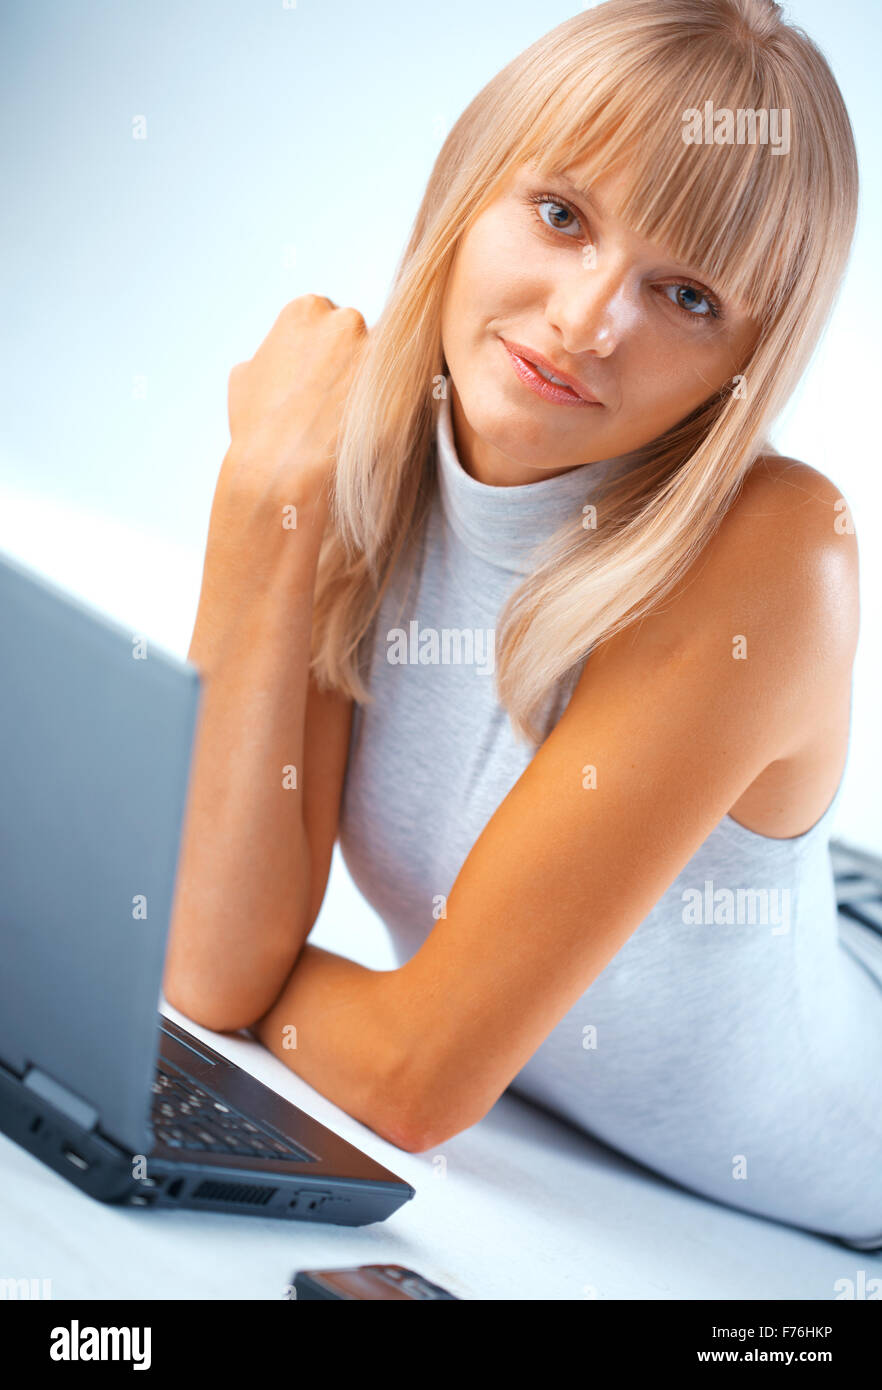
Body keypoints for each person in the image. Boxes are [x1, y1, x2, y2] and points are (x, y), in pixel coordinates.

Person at [163, 0, 882, 1248]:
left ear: (744, 369)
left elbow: (411, 1078)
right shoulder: (356, 452)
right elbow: (205, 966)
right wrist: (265, 499)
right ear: (468, 185)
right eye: (561, 215)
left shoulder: (776, 549)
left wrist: (276, 982)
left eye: (687, 294)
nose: (586, 321)